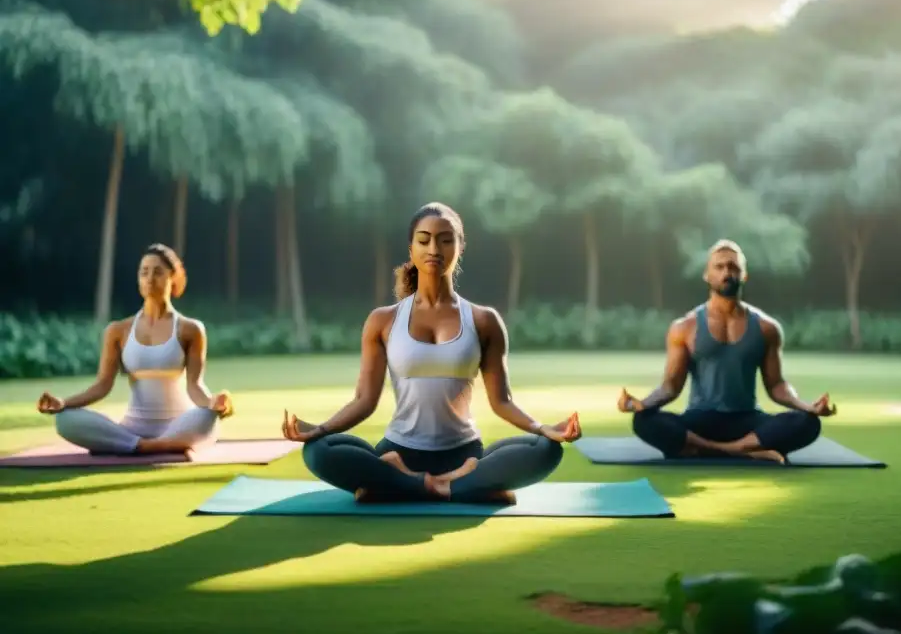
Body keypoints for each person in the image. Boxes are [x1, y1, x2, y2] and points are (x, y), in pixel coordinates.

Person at [281, 202, 580, 503]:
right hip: (398, 451)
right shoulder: (383, 321)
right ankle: (460, 486)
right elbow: (364, 401)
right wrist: (319, 429)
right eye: (424, 240)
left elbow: (502, 401)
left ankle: (397, 485)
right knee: (318, 450)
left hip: (464, 454)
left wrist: (544, 428)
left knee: (546, 449)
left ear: (460, 247)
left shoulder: (483, 320)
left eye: (445, 239)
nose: (434, 248)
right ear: (411, 249)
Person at [617, 240, 835, 463]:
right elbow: (670, 386)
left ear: (744, 275)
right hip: (699, 420)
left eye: (733, 267)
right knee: (643, 420)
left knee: (808, 422)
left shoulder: (767, 328)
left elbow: (777, 385)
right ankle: (740, 450)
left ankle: (704, 449)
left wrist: (807, 406)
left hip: (746, 421)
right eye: (719, 267)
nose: (727, 272)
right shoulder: (684, 327)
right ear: (707, 275)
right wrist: (642, 404)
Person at [36, 244, 233, 456]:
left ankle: (132, 446)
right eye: (144, 272)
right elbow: (102, 386)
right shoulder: (118, 330)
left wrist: (213, 403)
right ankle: (152, 445)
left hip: (180, 425)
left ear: (172, 277)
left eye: (157, 272)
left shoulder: (191, 329)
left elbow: (195, 385)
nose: (150, 278)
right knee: (65, 420)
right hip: (133, 428)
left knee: (207, 417)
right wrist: (63, 403)